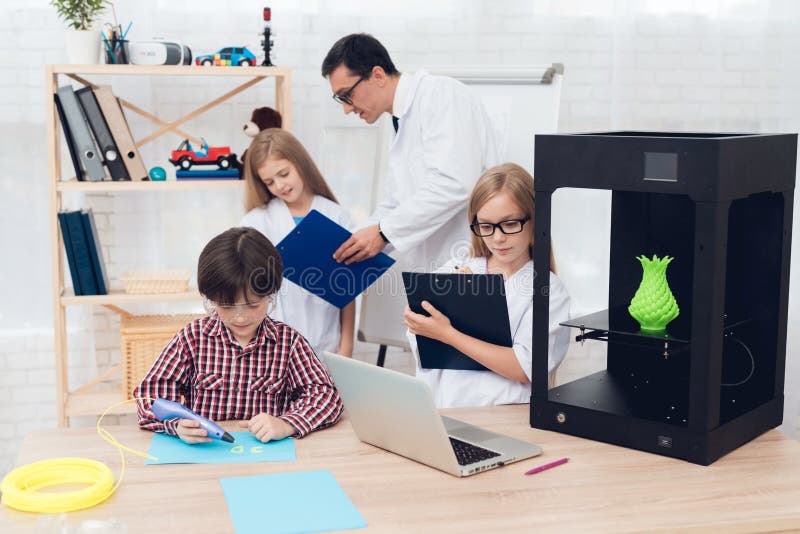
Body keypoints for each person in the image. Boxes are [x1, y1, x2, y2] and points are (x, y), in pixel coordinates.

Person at [134, 227, 343, 444]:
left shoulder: (288, 343)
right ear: (211, 299)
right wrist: (176, 426)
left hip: (267, 458)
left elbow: (326, 397)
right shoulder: (192, 338)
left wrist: (287, 423)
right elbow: (150, 398)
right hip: (206, 454)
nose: (240, 317)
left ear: (270, 295)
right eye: (226, 306)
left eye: (252, 305)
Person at [321, 33, 500, 271]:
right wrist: (353, 243)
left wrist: (384, 232)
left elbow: (455, 183)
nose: (346, 109)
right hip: (437, 267)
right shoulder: (398, 120)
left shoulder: (441, 94)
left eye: (347, 95)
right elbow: (395, 203)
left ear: (377, 75)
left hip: (468, 261)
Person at [403, 163, 570, 408]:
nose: (498, 238)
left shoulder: (548, 290)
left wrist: (449, 334)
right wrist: (419, 318)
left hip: (505, 413)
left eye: (510, 224)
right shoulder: (456, 268)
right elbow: (420, 335)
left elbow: (525, 368)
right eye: (486, 226)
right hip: (445, 410)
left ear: (535, 220)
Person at [240, 128, 355, 357]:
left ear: (300, 163)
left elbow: (349, 289)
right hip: (272, 348)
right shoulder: (256, 222)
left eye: (284, 173)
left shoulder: (336, 215)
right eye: (270, 182)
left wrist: (347, 347)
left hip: (327, 345)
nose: (280, 186)